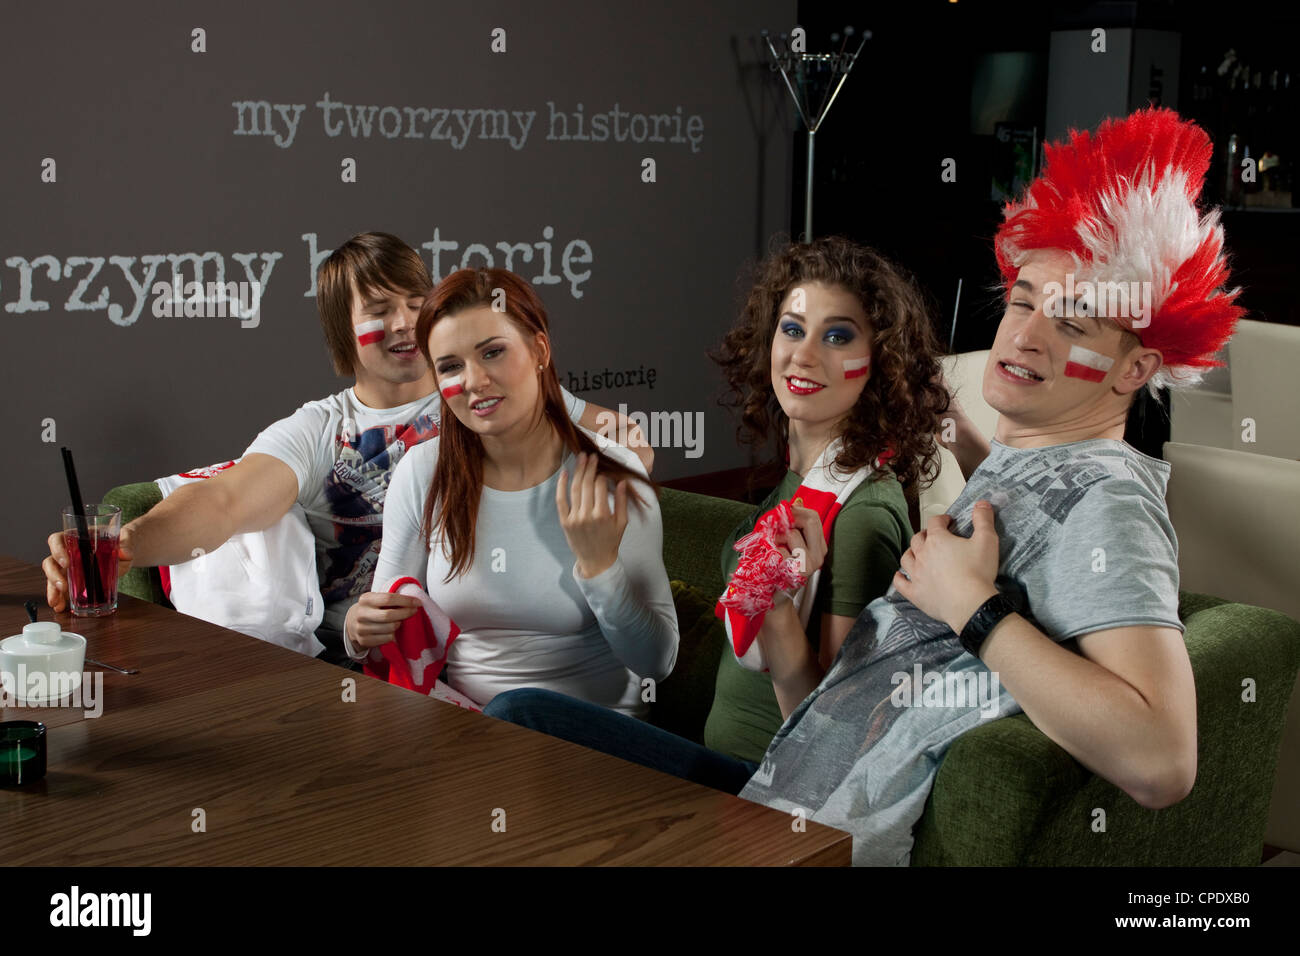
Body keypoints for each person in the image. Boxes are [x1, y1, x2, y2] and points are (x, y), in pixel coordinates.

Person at [736, 107, 1240, 864]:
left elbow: (1163, 761)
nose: (1025, 334)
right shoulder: (1039, 458)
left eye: (1073, 324)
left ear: (1133, 370)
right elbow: (1038, 537)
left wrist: (972, 608)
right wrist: (969, 450)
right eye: (1026, 299)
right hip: (781, 807)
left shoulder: (1111, 501)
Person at [41, 232, 649, 667]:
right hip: (369, 661)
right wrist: (123, 548)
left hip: (498, 645)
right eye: (379, 311)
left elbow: (621, 440)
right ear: (342, 331)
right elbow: (224, 503)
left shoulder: (481, 392)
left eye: (417, 303)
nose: (406, 323)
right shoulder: (318, 430)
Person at [482, 236, 949, 783]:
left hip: (760, 784)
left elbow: (834, 744)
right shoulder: (803, 478)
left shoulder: (862, 514)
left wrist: (775, 612)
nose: (803, 355)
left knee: (519, 716)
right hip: (707, 749)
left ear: (881, 362)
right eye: (793, 329)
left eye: (838, 337)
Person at [341, 268, 678, 714]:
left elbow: (658, 663)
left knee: (515, 711)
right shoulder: (421, 472)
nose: (475, 381)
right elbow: (391, 626)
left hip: (595, 743)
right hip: (470, 733)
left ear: (539, 350)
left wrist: (600, 568)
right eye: (451, 366)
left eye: (493, 352)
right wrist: (356, 631)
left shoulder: (612, 473)